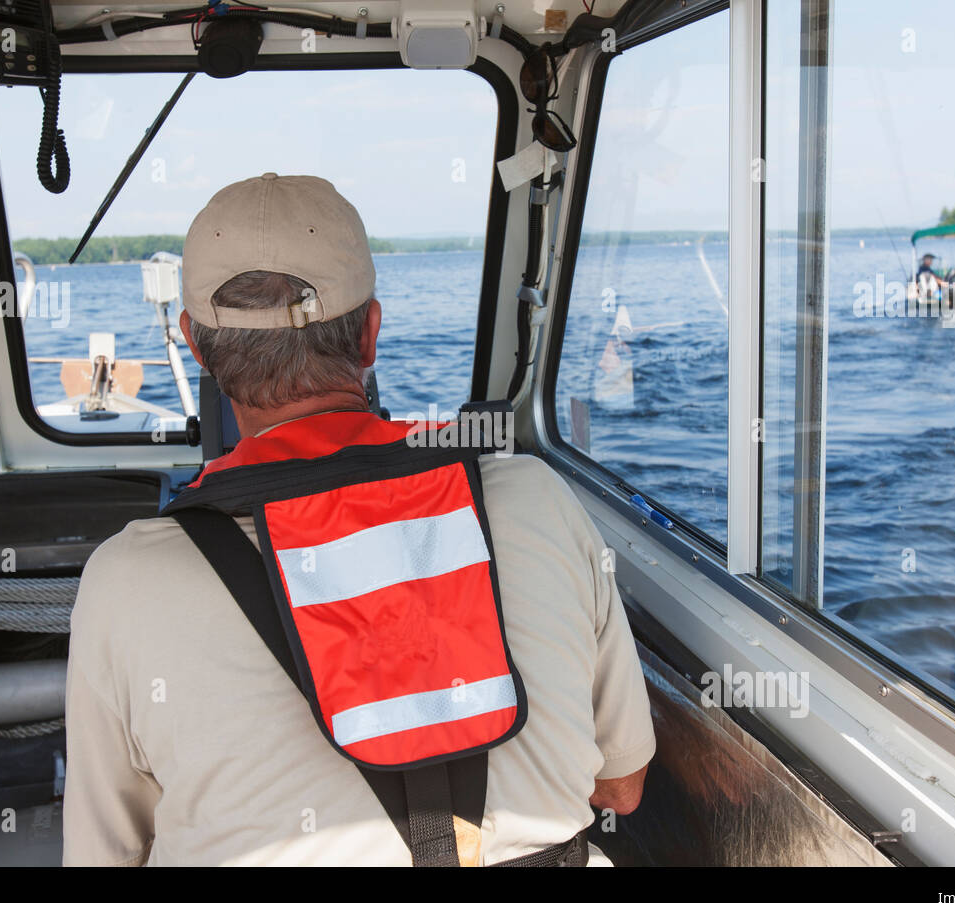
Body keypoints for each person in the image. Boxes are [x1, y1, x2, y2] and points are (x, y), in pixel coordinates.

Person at [62, 173, 656, 866]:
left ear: (197, 346)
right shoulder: (535, 497)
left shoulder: (126, 579)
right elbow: (622, 785)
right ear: (370, 333)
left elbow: (105, 856)